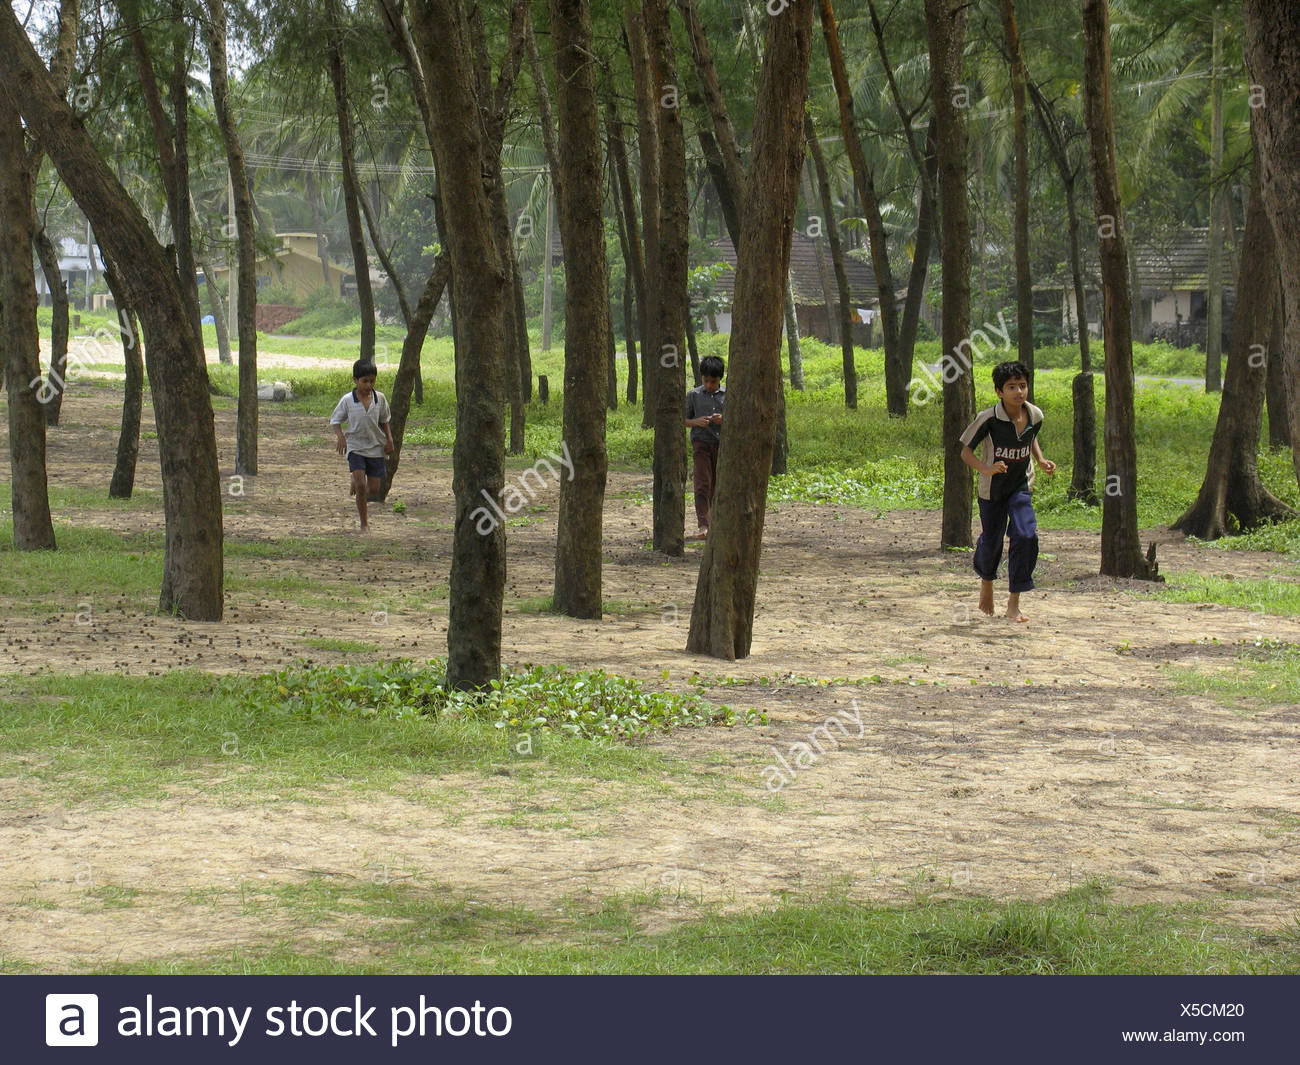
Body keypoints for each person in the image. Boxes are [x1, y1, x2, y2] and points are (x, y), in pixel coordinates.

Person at [959, 360, 1055, 622]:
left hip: (1020, 486)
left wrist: (1041, 459)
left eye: (1022, 386)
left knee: (1026, 536)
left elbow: (1030, 436)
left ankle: (1014, 602)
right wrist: (986, 469)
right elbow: (965, 452)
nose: (1018, 392)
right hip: (992, 490)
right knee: (992, 541)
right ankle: (987, 583)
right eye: (1011, 387)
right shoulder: (988, 419)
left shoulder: (1035, 415)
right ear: (999, 392)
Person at [330, 359, 394, 533]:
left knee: (373, 489)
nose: (368, 385)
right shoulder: (347, 400)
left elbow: (385, 421)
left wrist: (389, 440)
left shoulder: (379, 399)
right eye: (364, 381)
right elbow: (335, 421)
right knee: (360, 484)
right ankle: (364, 523)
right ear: (355, 380)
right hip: (355, 446)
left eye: (372, 381)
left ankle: (356, 482)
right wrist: (341, 437)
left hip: (375, 447)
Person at [684, 355, 726, 540]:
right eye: (706, 380)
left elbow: (739, 418)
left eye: (713, 381)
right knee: (702, 484)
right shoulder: (693, 395)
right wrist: (696, 422)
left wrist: (723, 419)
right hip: (701, 444)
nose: (709, 384)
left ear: (720, 379)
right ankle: (703, 524)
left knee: (719, 484)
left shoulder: (728, 395)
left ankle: (717, 522)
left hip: (722, 446)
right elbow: (683, 419)